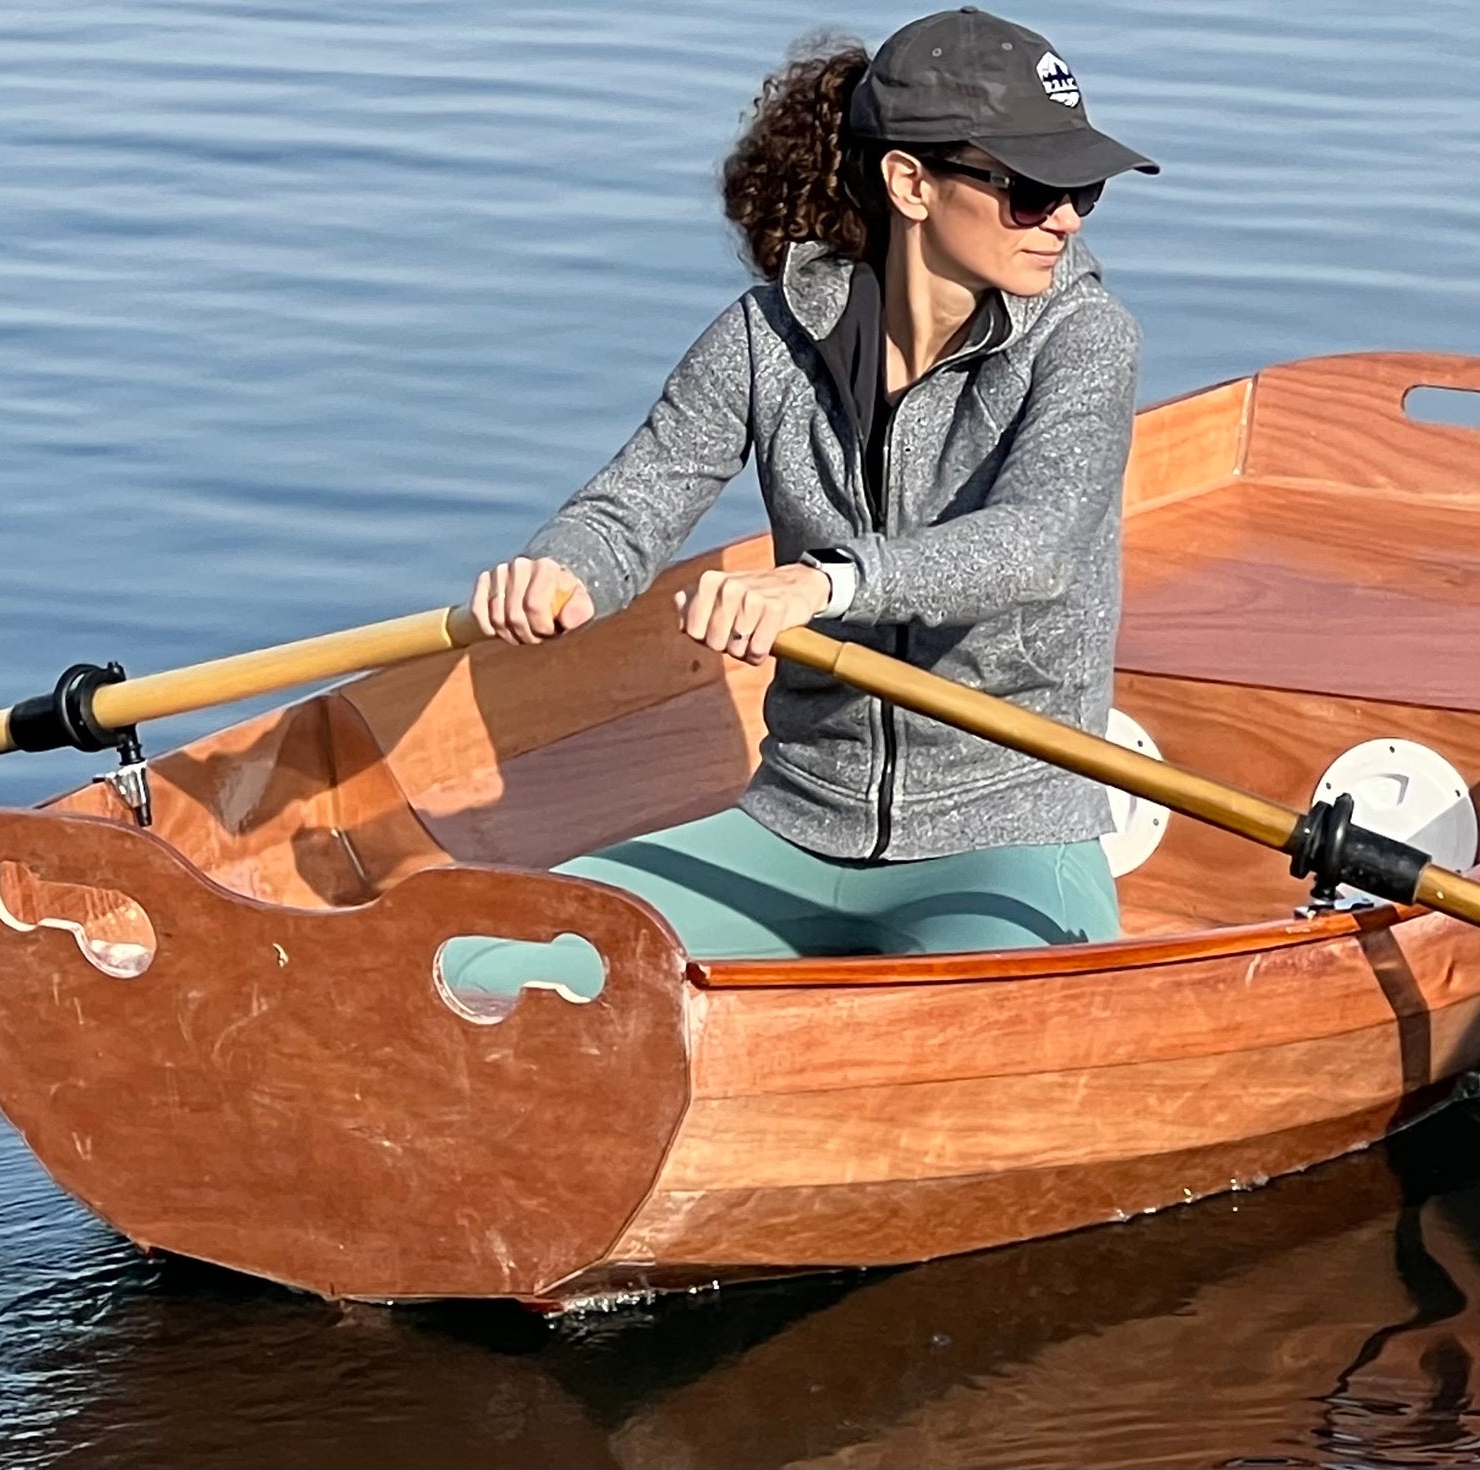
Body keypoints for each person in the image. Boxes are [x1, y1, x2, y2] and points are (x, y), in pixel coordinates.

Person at [462, 7, 1156, 972]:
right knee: (474, 965)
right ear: (911, 183)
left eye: (1083, 189)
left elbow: (1036, 545)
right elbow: (634, 503)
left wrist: (823, 583)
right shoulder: (768, 337)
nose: (1067, 219)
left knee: (955, 1036)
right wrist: (559, 569)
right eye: (1032, 191)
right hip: (795, 822)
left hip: (1007, 834)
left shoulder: (1084, 339)